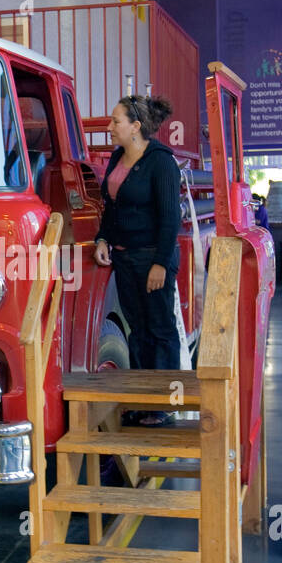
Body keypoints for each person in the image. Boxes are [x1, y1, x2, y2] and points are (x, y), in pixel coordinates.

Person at [94, 95, 181, 426]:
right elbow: (112, 208)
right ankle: (145, 400)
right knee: (138, 330)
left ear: (136, 127)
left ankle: (168, 402)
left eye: (116, 122)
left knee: (160, 329)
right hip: (125, 258)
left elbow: (170, 218)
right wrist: (103, 238)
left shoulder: (161, 162)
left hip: (152, 258)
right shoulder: (119, 157)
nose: (110, 127)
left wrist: (160, 262)